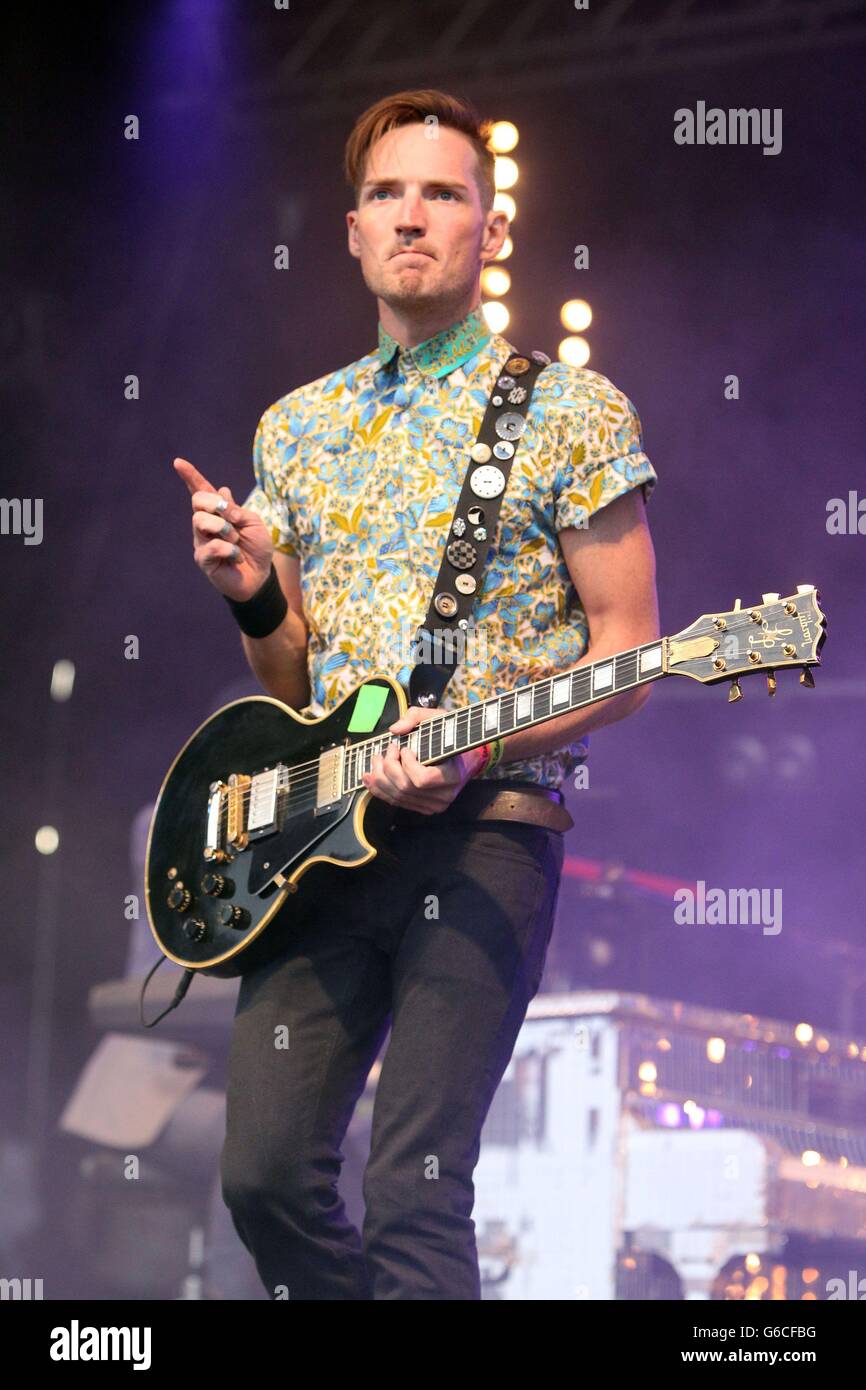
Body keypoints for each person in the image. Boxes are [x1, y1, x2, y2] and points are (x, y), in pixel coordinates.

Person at [174, 88, 659, 1300]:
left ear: (489, 231)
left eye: (443, 194)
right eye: (388, 193)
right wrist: (247, 594)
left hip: (486, 839)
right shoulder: (298, 426)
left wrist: (471, 750)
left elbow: (632, 650)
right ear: (350, 230)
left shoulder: (569, 413)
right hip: (321, 847)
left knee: (414, 1194)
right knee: (264, 1177)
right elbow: (292, 681)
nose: (412, 216)